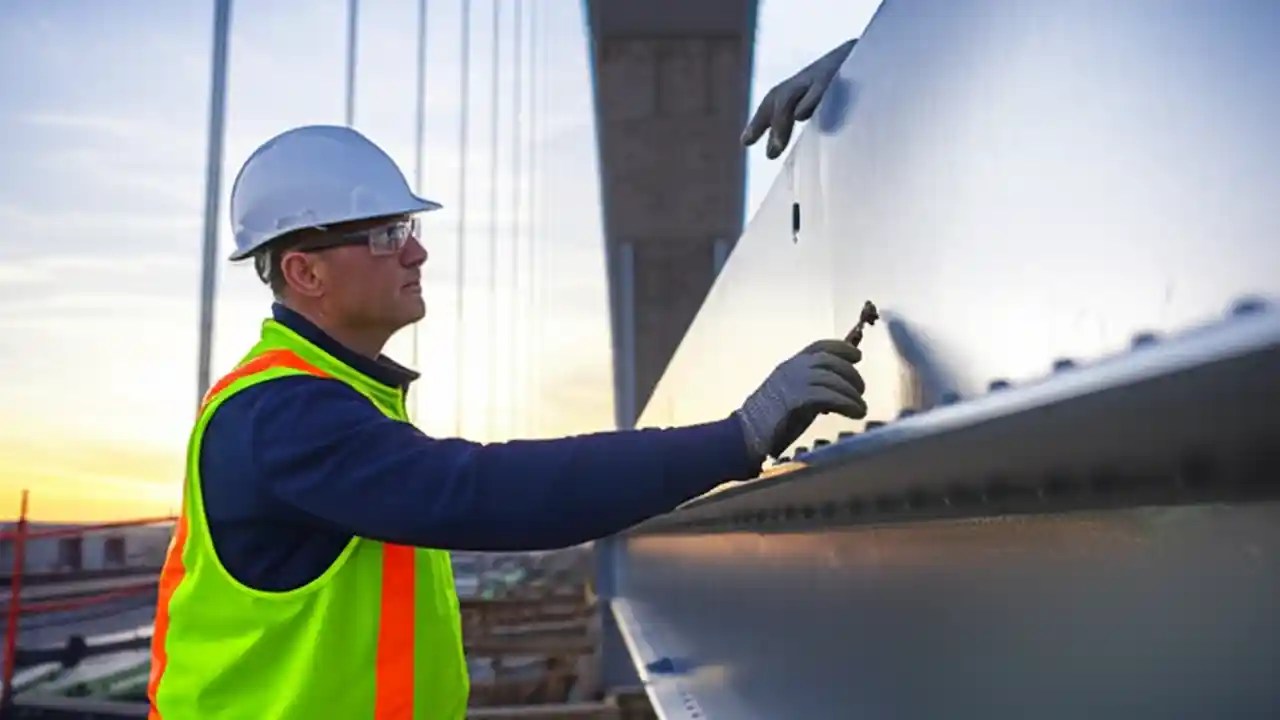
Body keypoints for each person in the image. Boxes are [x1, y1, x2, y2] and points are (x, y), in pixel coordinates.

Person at [147, 59, 864, 720]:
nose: (417, 249)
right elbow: (486, 494)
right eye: (387, 234)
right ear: (305, 273)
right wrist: (737, 436)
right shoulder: (282, 416)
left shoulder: (324, 402)